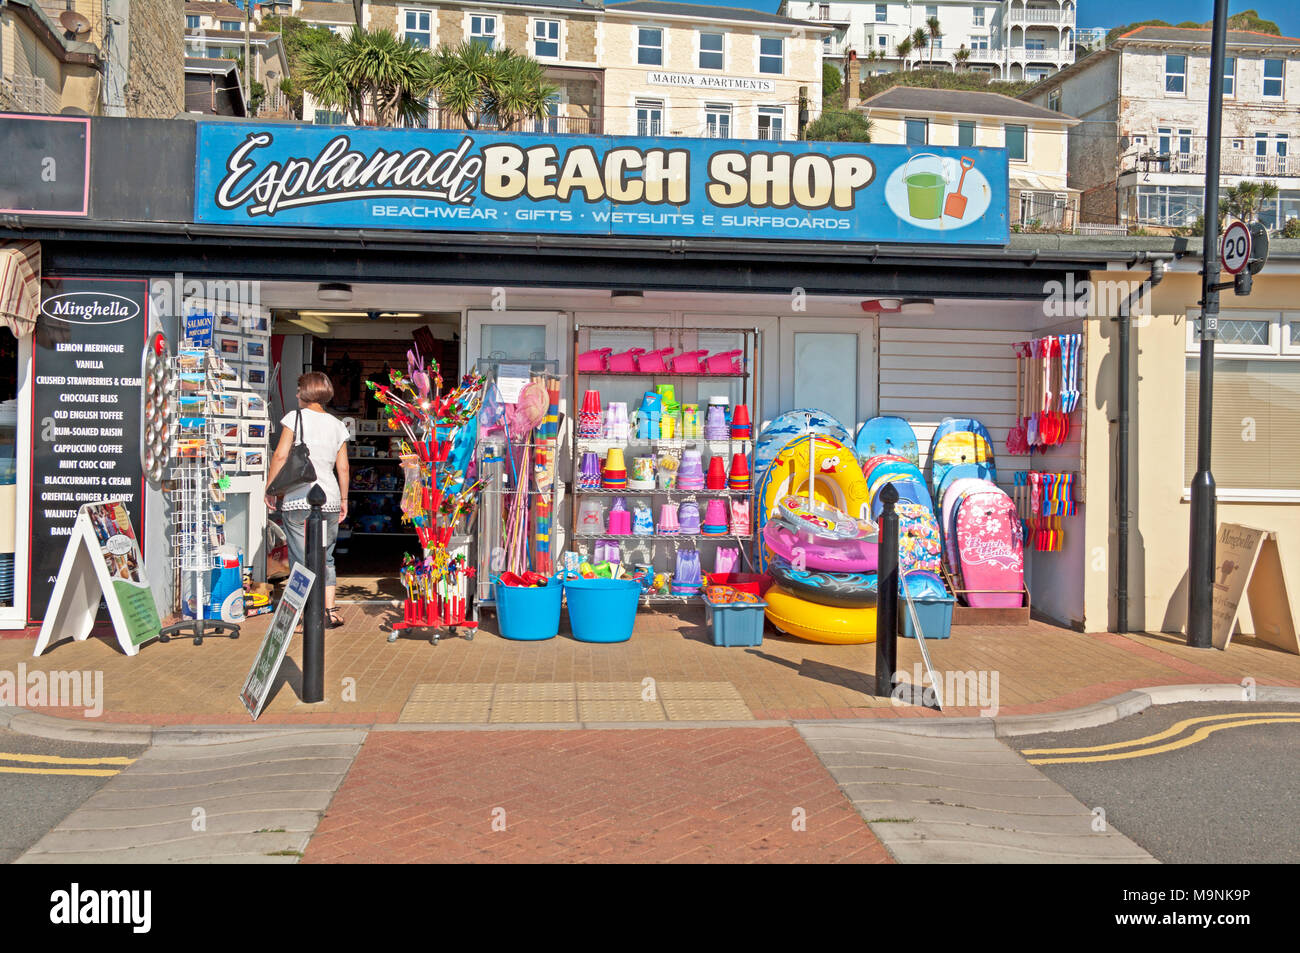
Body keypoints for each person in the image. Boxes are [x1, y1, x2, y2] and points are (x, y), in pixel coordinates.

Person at [266, 371, 349, 628]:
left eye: (298, 388)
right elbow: (343, 467)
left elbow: (280, 456)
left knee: (300, 557)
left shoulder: (295, 417)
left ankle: (302, 612)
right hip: (330, 499)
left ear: (306, 392)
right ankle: (329, 611)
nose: (296, 394)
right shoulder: (337, 425)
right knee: (326, 556)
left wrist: (270, 488)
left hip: (299, 498)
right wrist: (344, 498)